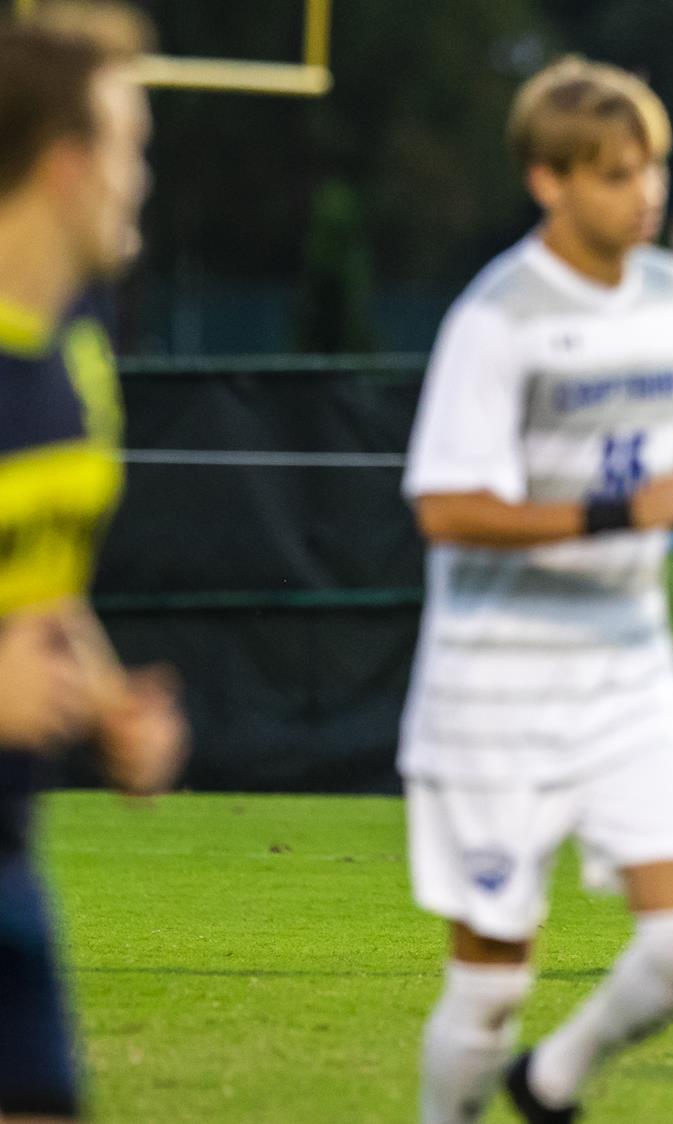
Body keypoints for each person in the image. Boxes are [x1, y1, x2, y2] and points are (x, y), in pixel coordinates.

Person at [397, 55, 673, 1123]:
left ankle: (549, 1082)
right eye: (611, 172)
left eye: (650, 166)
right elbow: (443, 507)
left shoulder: (670, 289)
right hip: (493, 681)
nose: (641, 190)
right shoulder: (496, 317)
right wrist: (618, 514)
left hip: (627, 667)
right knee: (491, 981)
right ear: (548, 182)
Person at [0, 6, 190, 1120]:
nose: (142, 181)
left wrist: (108, 701)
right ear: (70, 165)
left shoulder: (75, 352)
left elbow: (42, 583)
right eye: (133, 149)